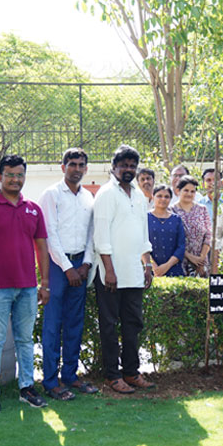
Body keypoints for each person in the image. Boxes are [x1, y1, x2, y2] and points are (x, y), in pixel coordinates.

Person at [0, 155, 52, 412]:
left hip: (27, 287)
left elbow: (41, 247)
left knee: (25, 339)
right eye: (10, 175)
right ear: (0, 177)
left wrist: (44, 283)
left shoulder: (33, 209)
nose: (15, 179)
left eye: (19, 175)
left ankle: (27, 388)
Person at [91, 146, 158, 394]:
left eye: (132, 165)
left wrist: (147, 264)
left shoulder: (139, 196)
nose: (128, 169)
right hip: (110, 274)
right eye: (124, 165)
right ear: (114, 166)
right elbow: (101, 237)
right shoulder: (107, 194)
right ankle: (112, 375)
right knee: (109, 325)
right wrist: (109, 270)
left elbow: (143, 235)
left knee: (133, 324)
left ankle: (131, 372)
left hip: (133, 272)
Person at [38, 148, 98, 401]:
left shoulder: (88, 198)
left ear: (86, 168)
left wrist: (85, 264)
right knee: (53, 325)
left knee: (75, 323)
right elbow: (48, 234)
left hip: (80, 266)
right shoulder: (51, 195)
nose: (76, 168)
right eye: (72, 164)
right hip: (56, 266)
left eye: (81, 164)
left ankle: (70, 376)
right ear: (62, 167)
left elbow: (92, 234)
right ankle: (51, 381)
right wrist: (67, 267)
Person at [174, 176, 213, 277]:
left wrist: (201, 258)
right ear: (178, 191)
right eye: (186, 190)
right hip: (180, 260)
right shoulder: (171, 211)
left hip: (201, 263)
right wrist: (190, 257)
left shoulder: (202, 209)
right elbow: (172, 240)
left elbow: (208, 235)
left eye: (192, 191)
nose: (189, 194)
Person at [147, 184, 187, 278]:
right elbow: (140, 244)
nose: (163, 199)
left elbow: (181, 246)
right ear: (153, 197)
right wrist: (154, 267)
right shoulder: (145, 218)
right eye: (159, 196)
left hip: (173, 269)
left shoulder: (176, 219)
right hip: (150, 270)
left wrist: (167, 266)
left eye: (166, 197)